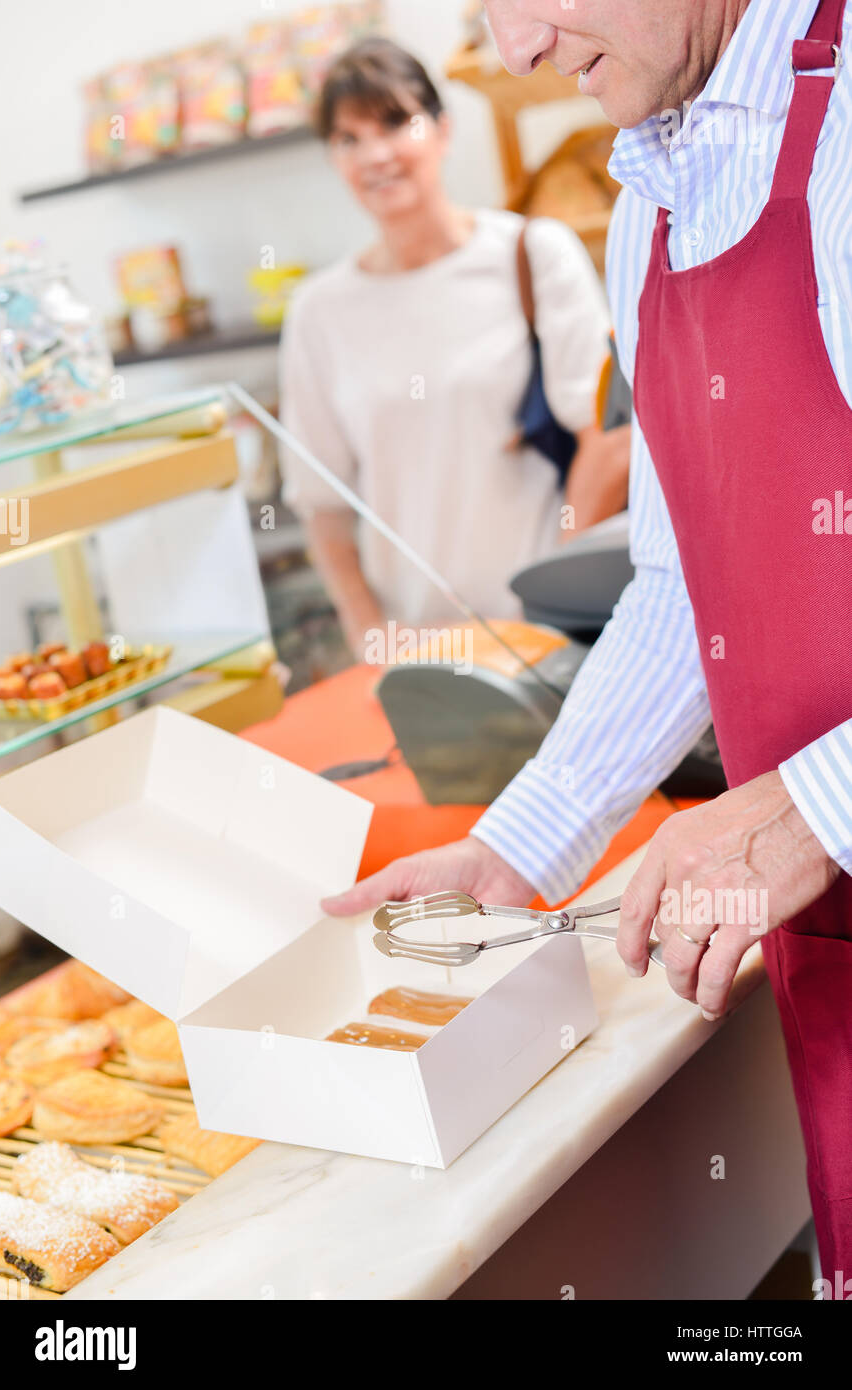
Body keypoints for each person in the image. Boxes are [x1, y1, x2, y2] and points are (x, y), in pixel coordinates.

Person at [326, 0, 852, 1281]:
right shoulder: (645, 207)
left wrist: (810, 809)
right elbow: (682, 582)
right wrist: (523, 842)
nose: (512, 54)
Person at [279, 37, 630, 654]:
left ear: (442, 129)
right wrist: (371, 636)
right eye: (348, 139)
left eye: (396, 122)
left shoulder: (532, 255)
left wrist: (548, 605)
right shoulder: (318, 312)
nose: (375, 154)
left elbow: (609, 440)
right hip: (418, 658)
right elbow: (323, 507)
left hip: (551, 638)